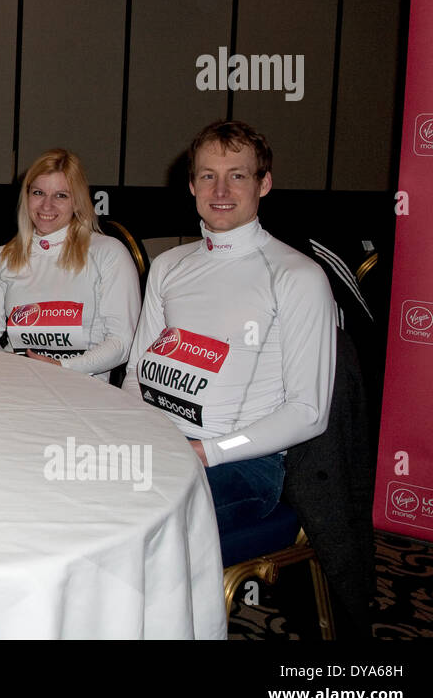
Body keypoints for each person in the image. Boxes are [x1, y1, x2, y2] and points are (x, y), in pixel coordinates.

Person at [122, 119, 336, 537]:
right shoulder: (168, 266)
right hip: (160, 444)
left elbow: (309, 413)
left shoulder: (297, 276)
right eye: (208, 176)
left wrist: (207, 452)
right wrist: (144, 437)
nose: (220, 192)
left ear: (264, 184)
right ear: (192, 186)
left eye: (236, 176)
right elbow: (135, 374)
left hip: (241, 464)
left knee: (135, 526)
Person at [0, 148, 140, 380]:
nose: (46, 206)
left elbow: (122, 342)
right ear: (26, 197)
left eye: (61, 195)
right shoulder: (1, 258)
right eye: (38, 192)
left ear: (77, 202)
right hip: (16, 389)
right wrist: (7, 365)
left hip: (84, 396)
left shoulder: (108, 253)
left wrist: (61, 368)